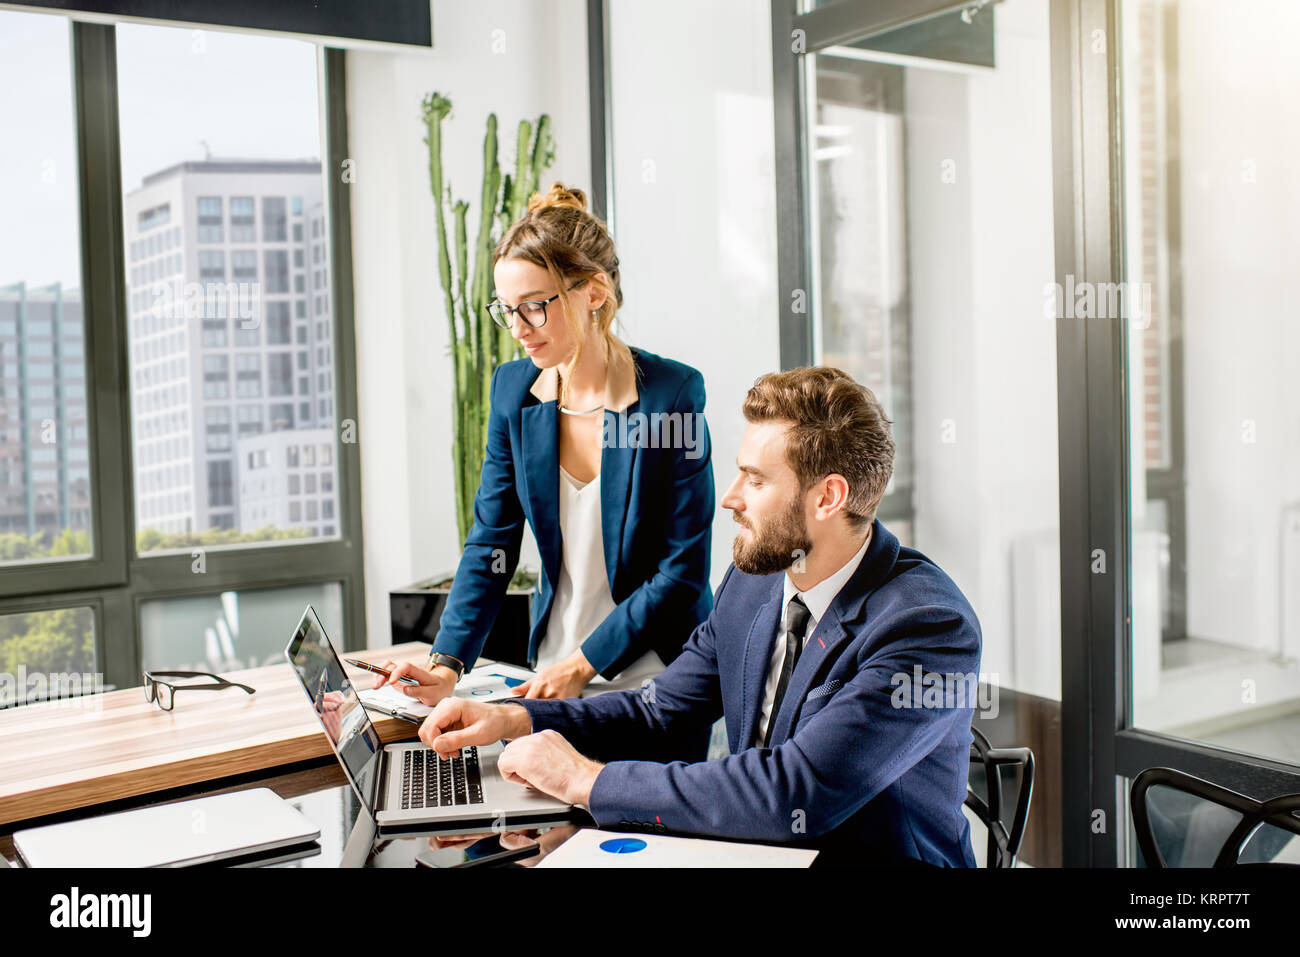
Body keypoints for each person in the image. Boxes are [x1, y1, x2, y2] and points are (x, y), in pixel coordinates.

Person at [417, 366, 984, 866]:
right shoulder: (753, 582)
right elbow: (659, 711)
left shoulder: (927, 627)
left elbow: (796, 794)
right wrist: (520, 718)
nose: (730, 497)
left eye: (756, 479)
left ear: (828, 497)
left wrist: (586, 780)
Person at [377, 182, 715, 711]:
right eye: (506, 310)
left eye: (533, 308)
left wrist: (584, 664)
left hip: (658, 678)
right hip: (552, 673)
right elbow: (492, 541)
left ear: (594, 292)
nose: (517, 329)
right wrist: (446, 664)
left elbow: (681, 574)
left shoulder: (670, 396)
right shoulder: (515, 392)